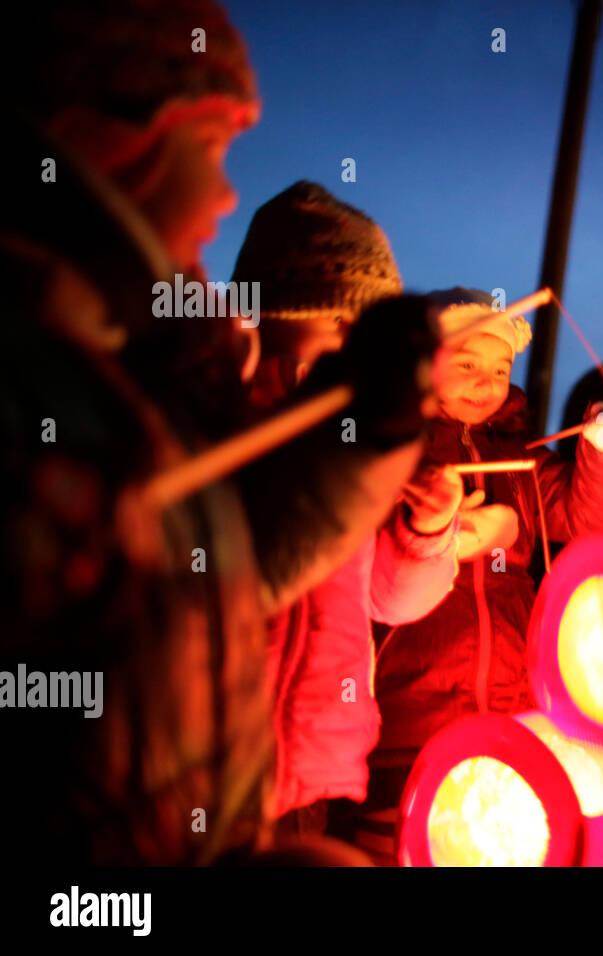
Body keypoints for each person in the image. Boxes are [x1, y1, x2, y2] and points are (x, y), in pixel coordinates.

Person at [1, 0, 440, 865]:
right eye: (210, 148)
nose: (229, 191)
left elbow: (231, 557)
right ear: (105, 141)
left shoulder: (144, 365)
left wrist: (365, 442)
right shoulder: (38, 367)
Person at [357, 288, 603, 862]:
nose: (486, 383)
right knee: (401, 841)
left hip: (513, 705)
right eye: (466, 365)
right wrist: (451, 528)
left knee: (488, 838)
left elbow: (586, 519)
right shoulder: (392, 448)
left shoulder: (525, 458)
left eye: (500, 369)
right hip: (409, 705)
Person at [230, 182, 463, 837]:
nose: (349, 355)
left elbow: (393, 600)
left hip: (314, 754)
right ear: (268, 318)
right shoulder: (231, 425)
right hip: (212, 747)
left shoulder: (363, 447)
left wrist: (426, 528)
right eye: (336, 329)